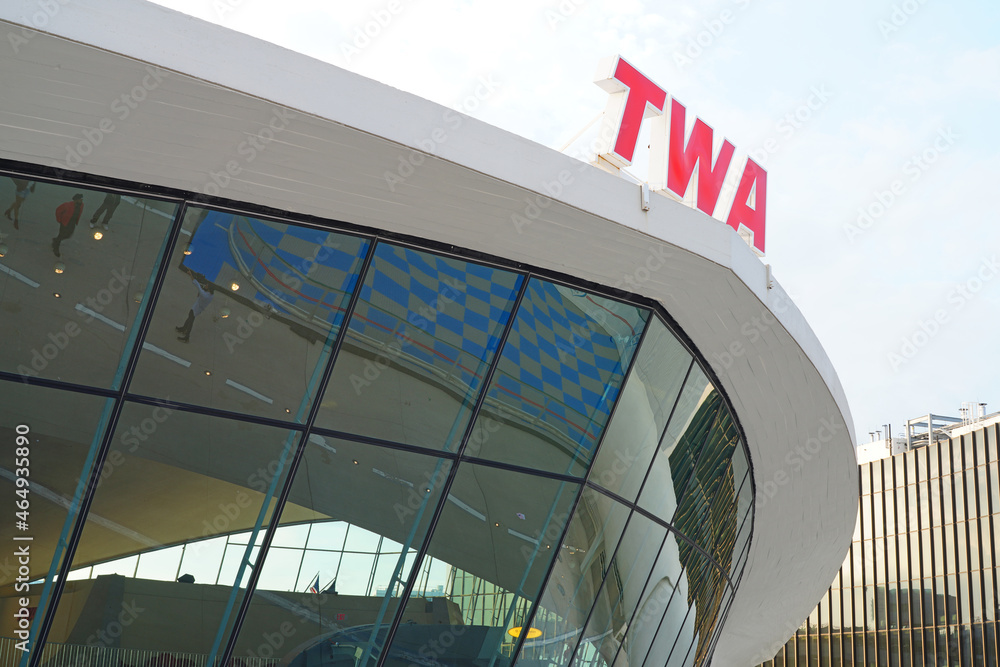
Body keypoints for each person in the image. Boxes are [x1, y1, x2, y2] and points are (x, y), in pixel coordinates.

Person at [175, 267, 215, 342]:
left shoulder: (204, 295)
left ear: (209, 288)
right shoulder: (211, 295)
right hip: (199, 307)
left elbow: (198, 286)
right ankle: (184, 328)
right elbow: (202, 291)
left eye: (207, 285)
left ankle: (187, 336)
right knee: (190, 317)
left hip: (197, 307)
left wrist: (191, 275)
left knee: (191, 319)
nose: (206, 285)